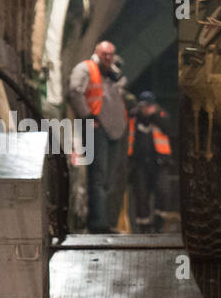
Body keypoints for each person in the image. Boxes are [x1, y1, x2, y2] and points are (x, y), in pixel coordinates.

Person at [67, 40, 129, 233]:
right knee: (99, 177)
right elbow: (75, 92)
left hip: (114, 131)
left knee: (110, 178)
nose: (109, 58)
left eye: (111, 54)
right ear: (97, 53)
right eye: (105, 55)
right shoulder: (85, 69)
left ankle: (107, 221)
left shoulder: (110, 75)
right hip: (97, 129)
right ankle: (98, 223)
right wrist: (87, 116)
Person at [127, 92, 174, 233]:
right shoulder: (134, 119)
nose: (145, 110)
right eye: (143, 107)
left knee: (163, 192)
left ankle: (159, 222)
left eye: (148, 107)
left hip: (159, 162)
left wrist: (155, 117)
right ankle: (144, 227)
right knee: (141, 196)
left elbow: (169, 128)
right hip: (140, 164)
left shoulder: (161, 117)